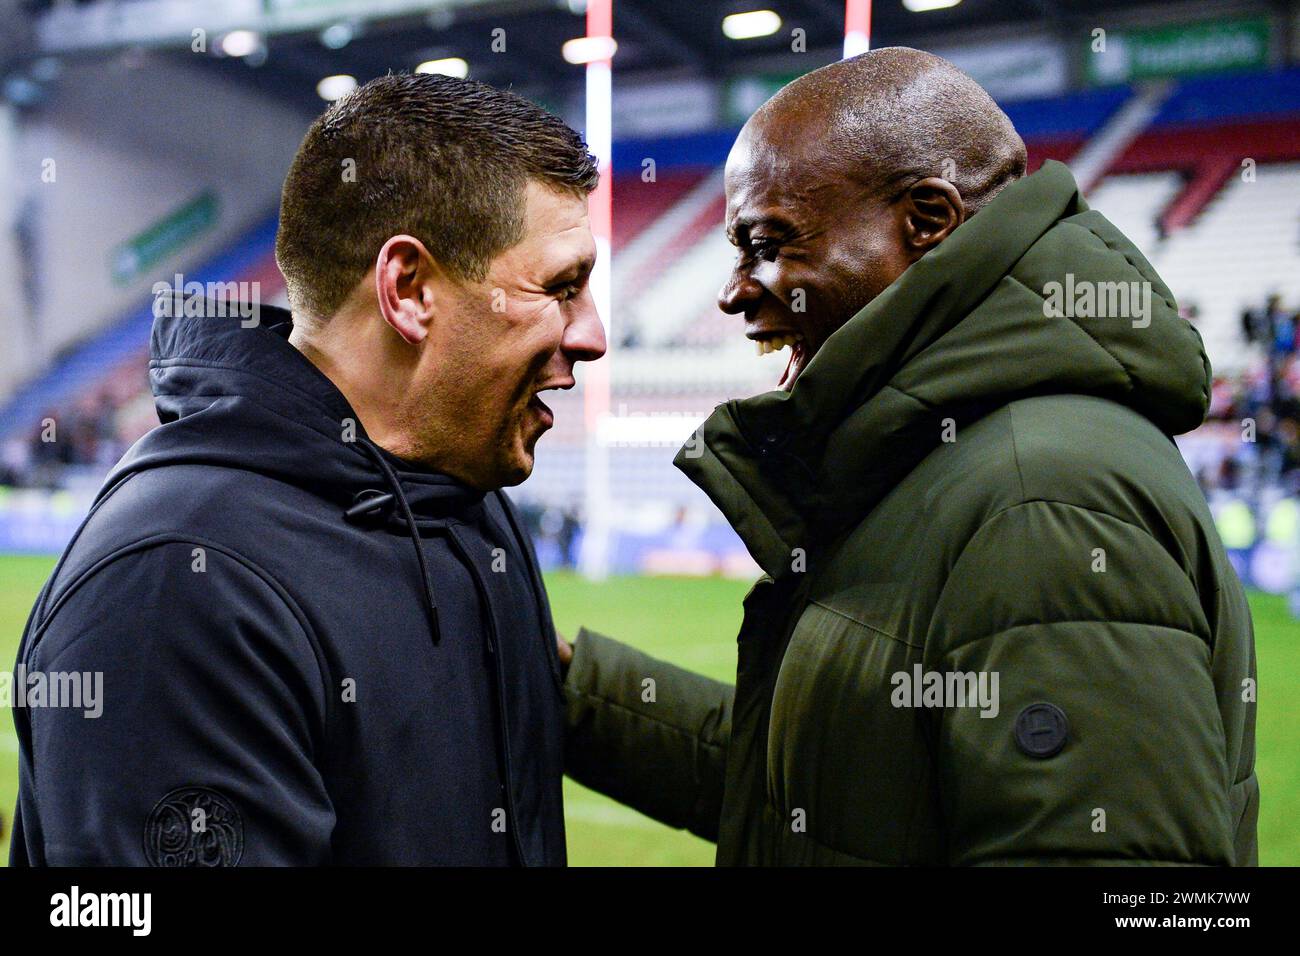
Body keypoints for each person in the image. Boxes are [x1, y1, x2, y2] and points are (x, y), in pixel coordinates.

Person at [560, 48, 1258, 866]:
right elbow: (822, 798)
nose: (733, 290)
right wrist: (571, 693)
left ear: (927, 219)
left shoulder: (1046, 501)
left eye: (766, 243)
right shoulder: (957, 459)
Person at [11, 73, 605, 866]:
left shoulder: (467, 498)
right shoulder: (176, 586)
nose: (593, 334)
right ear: (409, 290)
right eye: (560, 288)